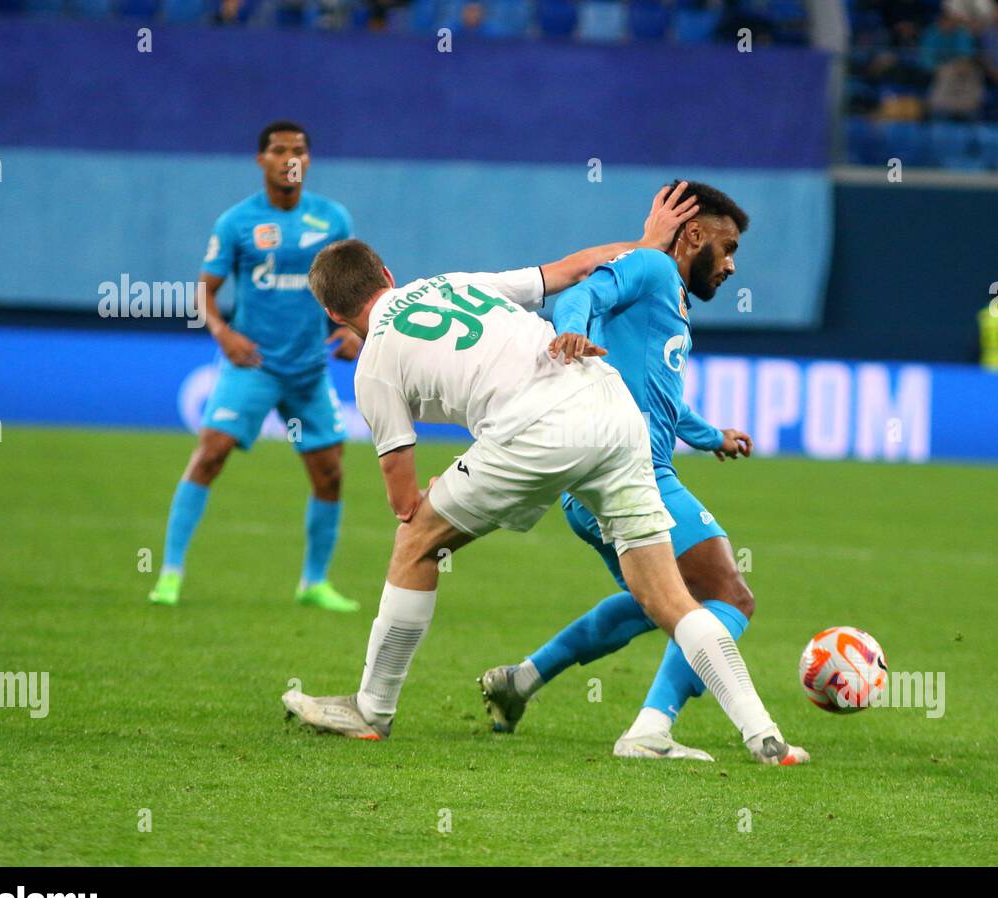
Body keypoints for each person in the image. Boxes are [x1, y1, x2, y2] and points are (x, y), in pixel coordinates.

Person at [281, 186, 810, 766]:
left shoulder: (374, 364)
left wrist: (439, 494)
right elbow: (574, 269)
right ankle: (765, 738)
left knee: (417, 542)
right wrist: (645, 244)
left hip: (537, 430)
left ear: (332, 313)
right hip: (611, 408)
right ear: (387, 272)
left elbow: (404, 502)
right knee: (672, 600)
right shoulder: (455, 283)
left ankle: (372, 708)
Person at [479, 182, 769, 763]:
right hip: (634, 472)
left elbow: (660, 395)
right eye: (728, 245)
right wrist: (576, 329)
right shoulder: (652, 269)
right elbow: (580, 296)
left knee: (654, 601)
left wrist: (713, 436)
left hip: (593, 484)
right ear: (693, 234)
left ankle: (521, 681)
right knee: (729, 596)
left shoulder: (673, 303)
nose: (733, 264)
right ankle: (650, 729)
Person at [149, 122, 362, 611]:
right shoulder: (237, 222)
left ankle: (313, 583)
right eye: (280, 150)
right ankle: (170, 573)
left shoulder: (332, 220)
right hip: (255, 364)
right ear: (261, 160)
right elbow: (205, 290)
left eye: (300, 151)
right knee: (210, 454)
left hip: (309, 369)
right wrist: (224, 334)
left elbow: (355, 287)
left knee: (330, 474)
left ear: (309, 160)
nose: (291, 158)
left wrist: (353, 329)